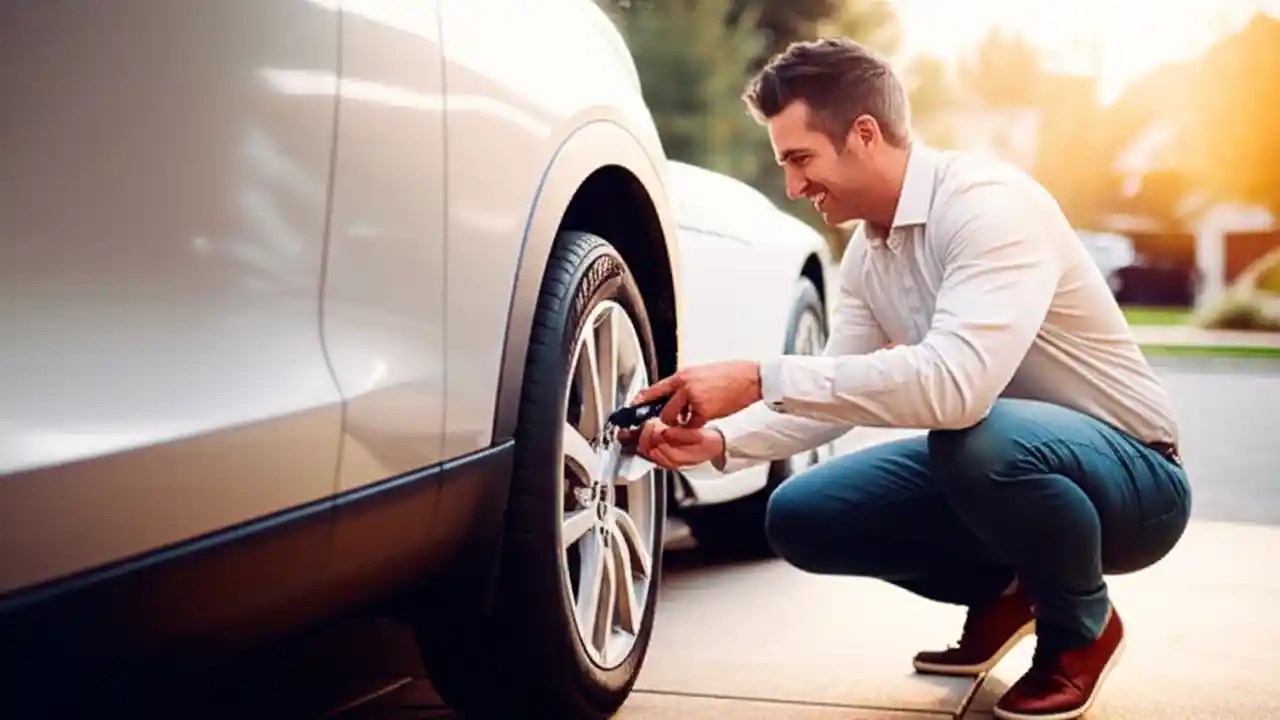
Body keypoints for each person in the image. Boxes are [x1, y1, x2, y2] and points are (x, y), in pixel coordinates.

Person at [624, 37, 1192, 720]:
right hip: (1001, 457)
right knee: (800, 517)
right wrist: (721, 444)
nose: (794, 187)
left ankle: (1081, 628)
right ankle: (1012, 593)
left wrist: (756, 376)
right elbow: (831, 391)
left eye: (801, 159)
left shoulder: (988, 208)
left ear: (864, 134)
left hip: (1137, 481)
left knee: (972, 439)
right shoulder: (870, 254)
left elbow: (955, 388)